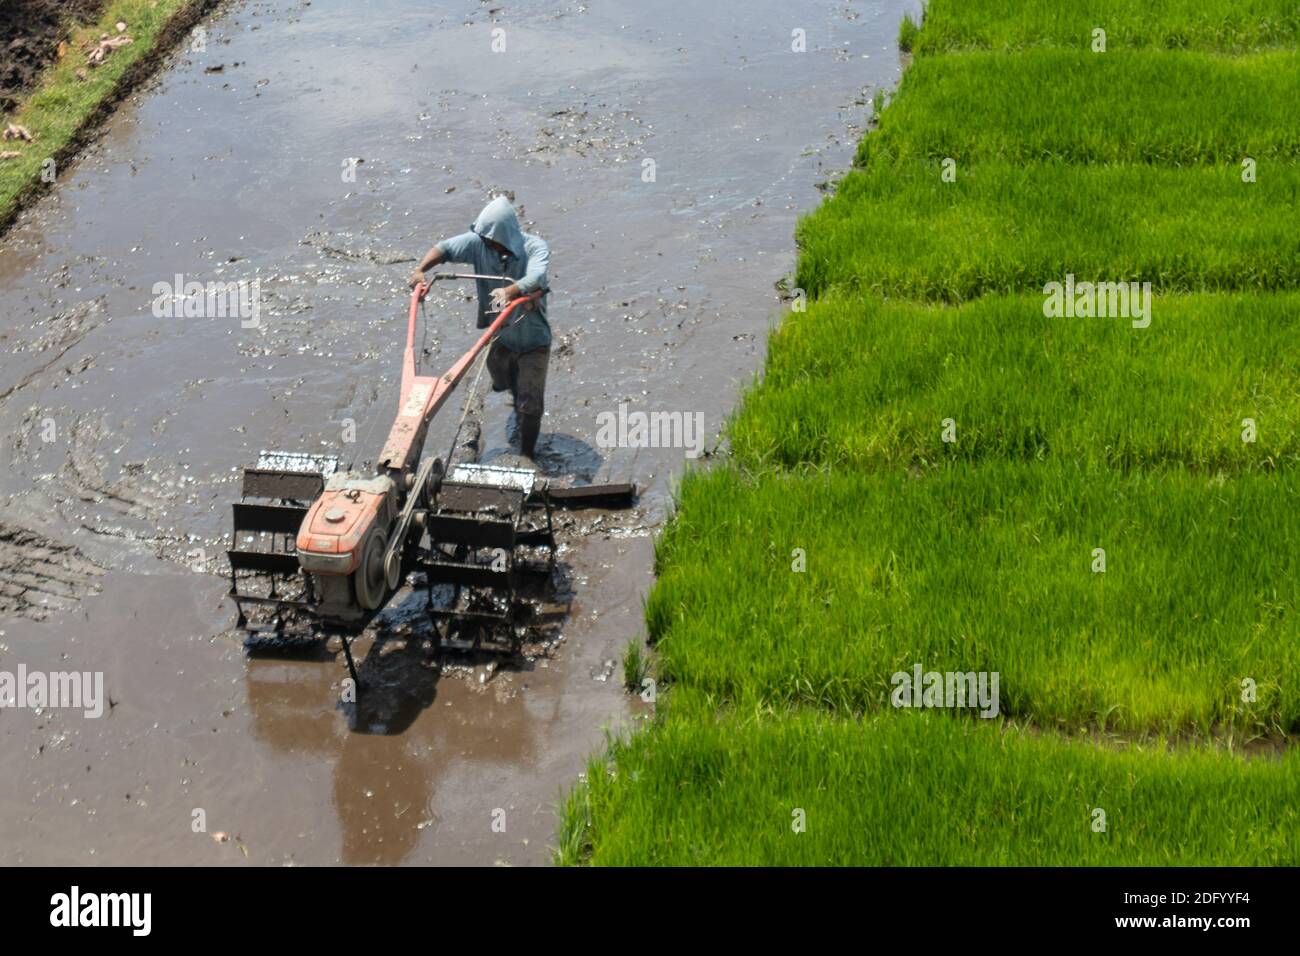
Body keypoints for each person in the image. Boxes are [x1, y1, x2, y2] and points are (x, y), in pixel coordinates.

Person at [409, 196, 550, 459]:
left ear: (505, 235)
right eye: (485, 240)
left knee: (530, 406)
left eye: (492, 240)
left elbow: (538, 276)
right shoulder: (478, 244)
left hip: (533, 341)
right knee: (502, 381)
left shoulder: (534, 247)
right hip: (499, 335)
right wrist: (421, 269)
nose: (487, 244)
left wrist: (513, 289)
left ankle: (527, 455)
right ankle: (516, 395)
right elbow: (444, 249)